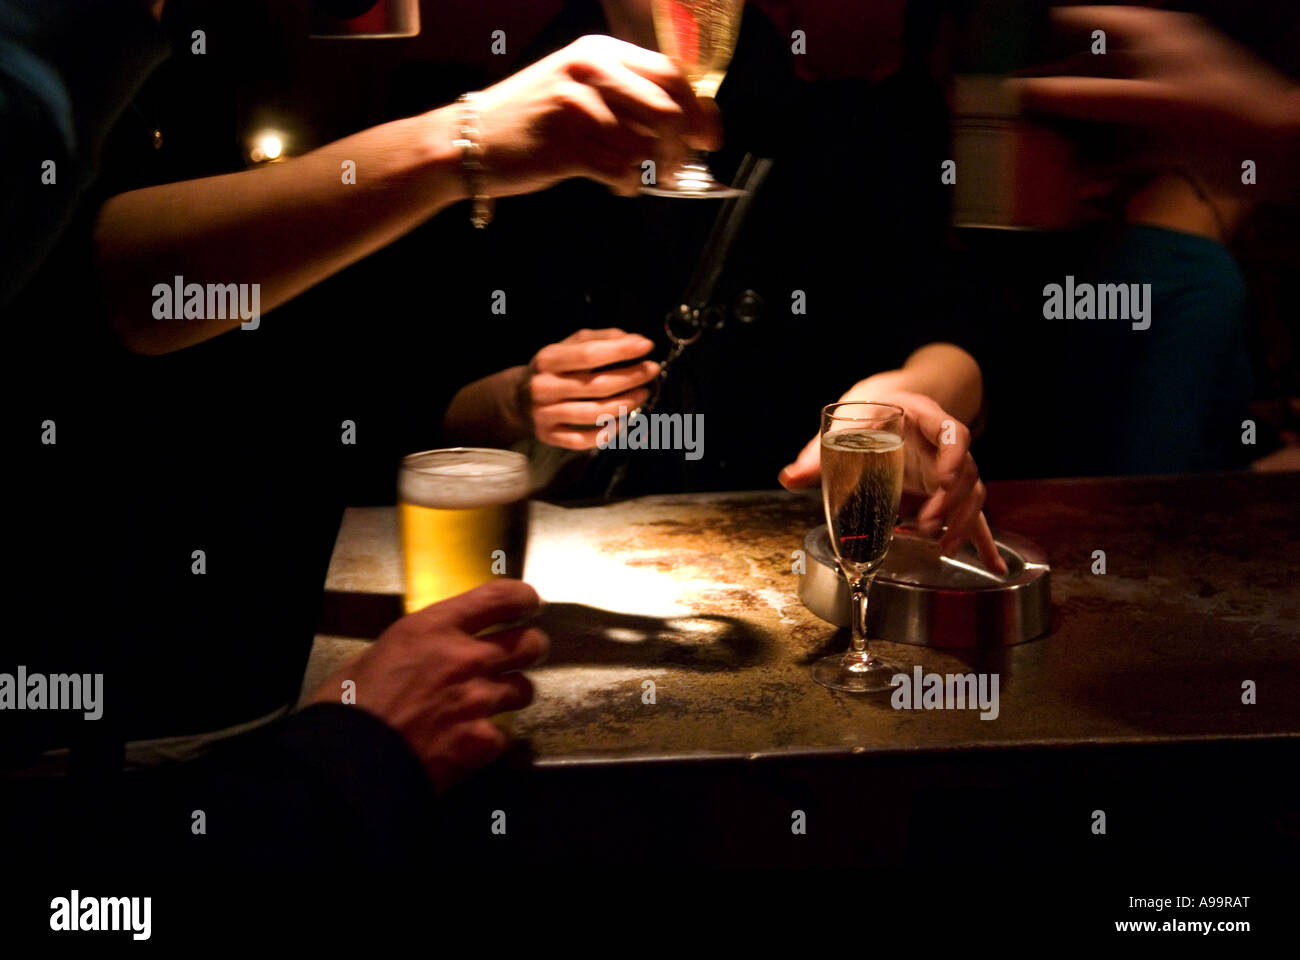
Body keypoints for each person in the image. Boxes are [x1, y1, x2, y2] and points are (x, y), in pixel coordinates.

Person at [0, 0, 715, 867]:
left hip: (234, 703)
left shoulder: (167, 58)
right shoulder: (52, 63)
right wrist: (460, 143)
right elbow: (92, 296)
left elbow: (176, 316)